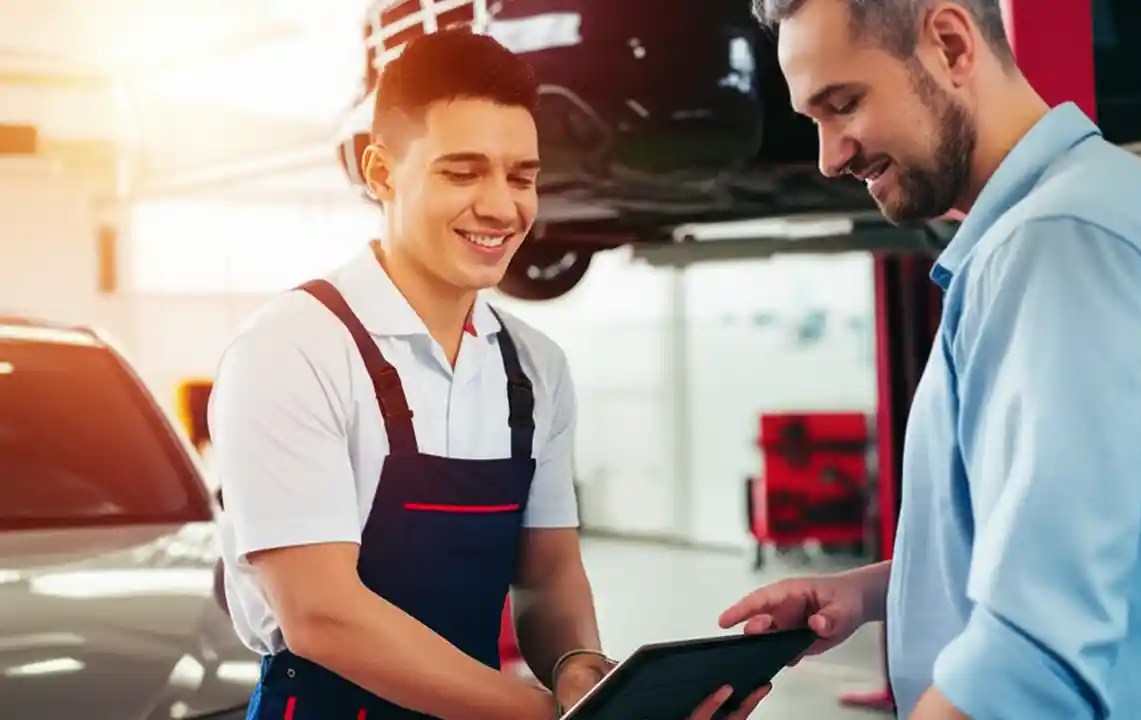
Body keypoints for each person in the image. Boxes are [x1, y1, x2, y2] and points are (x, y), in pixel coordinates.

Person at [720, 0, 1141, 718]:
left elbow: (1034, 647)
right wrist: (869, 593)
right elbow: (1108, 544)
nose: (830, 156)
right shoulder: (1114, 207)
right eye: (814, 120)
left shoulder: (1059, 244)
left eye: (845, 104)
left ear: (951, 46)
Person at [209, 29, 768, 720]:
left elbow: (548, 573)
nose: (502, 207)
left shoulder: (533, 368)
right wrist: (550, 718)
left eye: (522, 176)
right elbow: (322, 616)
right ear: (382, 173)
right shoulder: (292, 348)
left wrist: (582, 675)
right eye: (462, 172)